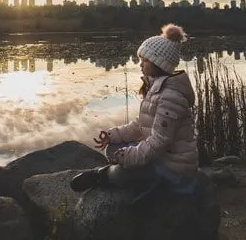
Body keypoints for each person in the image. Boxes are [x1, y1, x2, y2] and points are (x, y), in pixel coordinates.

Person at [70, 24, 198, 194]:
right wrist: (113, 135)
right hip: (161, 156)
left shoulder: (170, 97)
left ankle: (102, 176)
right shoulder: (155, 88)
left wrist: (129, 157)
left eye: (144, 60)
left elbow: (160, 141)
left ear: (158, 63)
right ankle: (124, 173)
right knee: (114, 148)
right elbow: (141, 125)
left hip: (173, 166)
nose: (140, 65)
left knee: (123, 171)